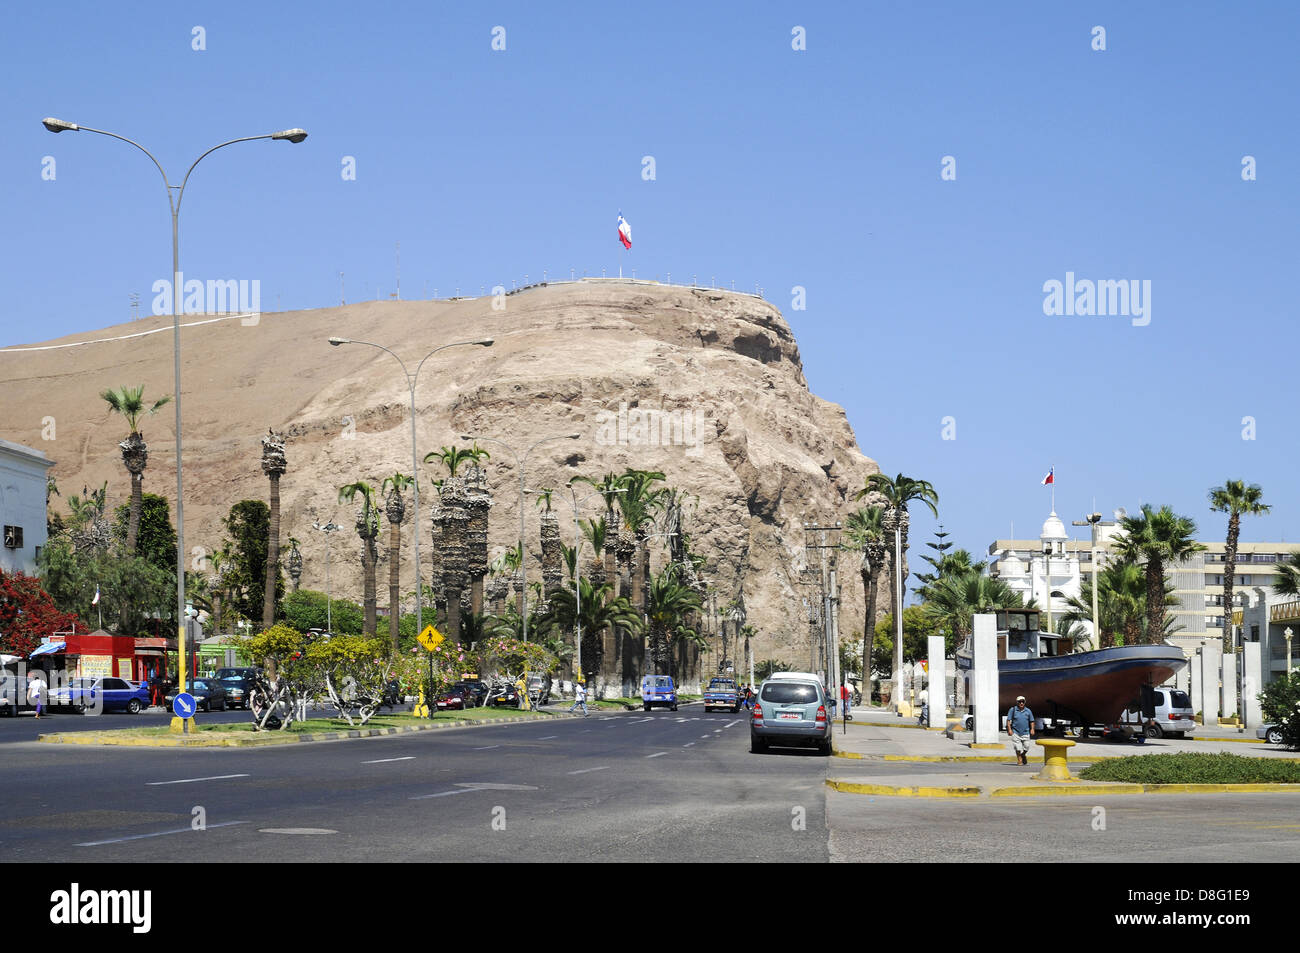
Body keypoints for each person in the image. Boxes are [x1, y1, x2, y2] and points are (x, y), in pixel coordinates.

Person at [1006, 695, 1036, 765]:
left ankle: (1023, 754)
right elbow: (1008, 720)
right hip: (1015, 732)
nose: (1021, 703)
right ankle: (1019, 759)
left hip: (1026, 732)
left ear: (1025, 702)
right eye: (1020, 702)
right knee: (1017, 747)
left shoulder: (1028, 711)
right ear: (1017, 702)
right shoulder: (1012, 710)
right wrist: (1010, 729)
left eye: (1023, 702)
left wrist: (1032, 729)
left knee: (1027, 747)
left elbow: (1032, 721)